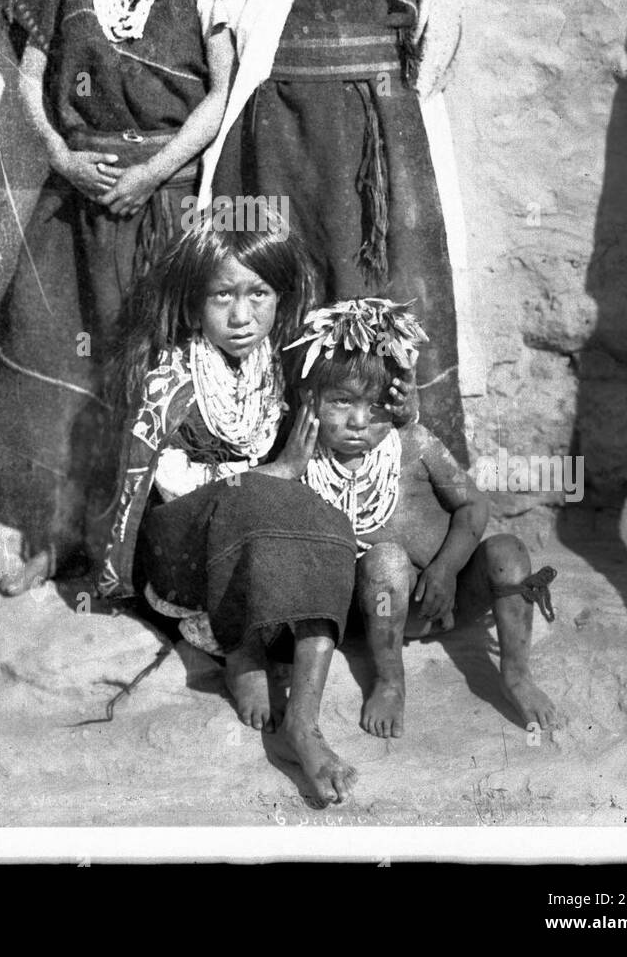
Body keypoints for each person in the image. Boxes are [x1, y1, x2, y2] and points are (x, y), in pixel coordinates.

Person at [0, 0, 234, 595]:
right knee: (65, 362)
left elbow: (217, 98)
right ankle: (56, 537)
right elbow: (34, 81)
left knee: (154, 372)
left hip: (164, 207)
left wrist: (155, 173)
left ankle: (145, 551)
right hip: (74, 210)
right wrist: (64, 158)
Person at [200, 0, 469, 462]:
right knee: (279, 290)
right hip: (272, 135)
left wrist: (388, 105)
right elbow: (220, 12)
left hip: (371, 144)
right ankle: (286, 486)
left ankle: (391, 488)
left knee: (374, 295)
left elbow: (440, 15)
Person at [95, 212, 413, 806]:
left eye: (258, 294)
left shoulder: (286, 368)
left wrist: (406, 409)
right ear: (194, 304)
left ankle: (303, 724)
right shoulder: (172, 380)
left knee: (325, 526)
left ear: (279, 297)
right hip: (188, 544)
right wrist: (278, 473)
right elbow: (170, 496)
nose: (242, 317)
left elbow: (358, 407)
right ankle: (241, 652)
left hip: (260, 531)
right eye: (222, 296)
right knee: (263, 502)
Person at [279, 297, 559, 741]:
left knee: (508, 551)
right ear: (309, 399)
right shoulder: (301, 462)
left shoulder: (413, 444)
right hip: (372, 616)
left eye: (373, 405)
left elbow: (475, 507)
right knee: (385, 559)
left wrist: (446, 569)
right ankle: (390, 681)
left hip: (447, 602)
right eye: (340, 401)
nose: (357, 419)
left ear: (394, 402)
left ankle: (517, 674)